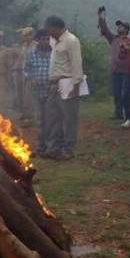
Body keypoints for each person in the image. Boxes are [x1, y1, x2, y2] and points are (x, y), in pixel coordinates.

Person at [41, 16, 84, 160]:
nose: (48, 34)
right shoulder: (56, 42)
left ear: (54, 27)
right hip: (54, 85)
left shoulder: (71, 41)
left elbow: (76, 63)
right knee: (52, 117)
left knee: (69, 119)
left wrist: (76, 86)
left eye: (49, 30)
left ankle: (68, 150)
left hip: (67, 83)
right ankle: (53, 148)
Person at [97, 9, 130, 121]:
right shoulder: (113, 39)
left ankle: (129, 115)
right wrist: (100, 16)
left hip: (127, 71)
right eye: (118, 27)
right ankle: (118, 113)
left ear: (126, 29)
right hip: (115, 70)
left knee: (126, 94)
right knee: (117, 93)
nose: (118, 28)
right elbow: (104, 28)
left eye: (121, 27)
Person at [23, 29, 53, 155]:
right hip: (37, 91)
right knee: (40, 120)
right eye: (43, 39)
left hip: (52, 91)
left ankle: (53, 146)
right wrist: (31, 78)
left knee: (52, 119)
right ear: (38, 40)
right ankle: (41, 146)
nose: (46, 41)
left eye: (48, 39)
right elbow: (25, 70)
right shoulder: (31, 54)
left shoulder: (54, 53)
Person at [12, 27, 36, 124]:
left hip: (32, 74)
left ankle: (31, 116)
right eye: (24, 36)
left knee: (29, 96)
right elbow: (21, 60)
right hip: (23, 73)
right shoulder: (24, 46)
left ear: (31, 35)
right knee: (22, 95)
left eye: (27, 35)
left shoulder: (35, 46)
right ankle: (25, 113)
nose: (25, 38)